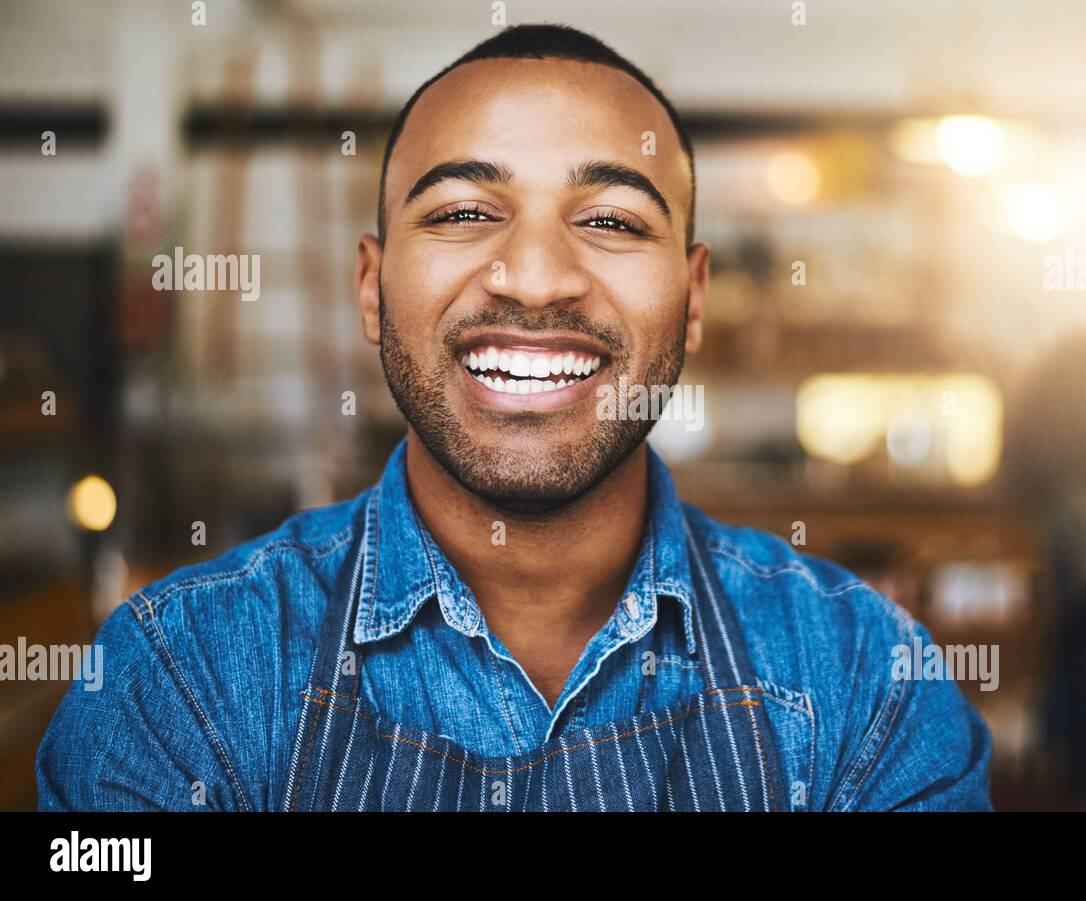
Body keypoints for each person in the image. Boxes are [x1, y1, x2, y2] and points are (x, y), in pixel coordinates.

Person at [36, 23, 992, 811]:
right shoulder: (175, 682)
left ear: (694, 300)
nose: (534, 277)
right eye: (461, 213)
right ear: (371, 287)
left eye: (613, 221)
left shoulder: (866, 680)